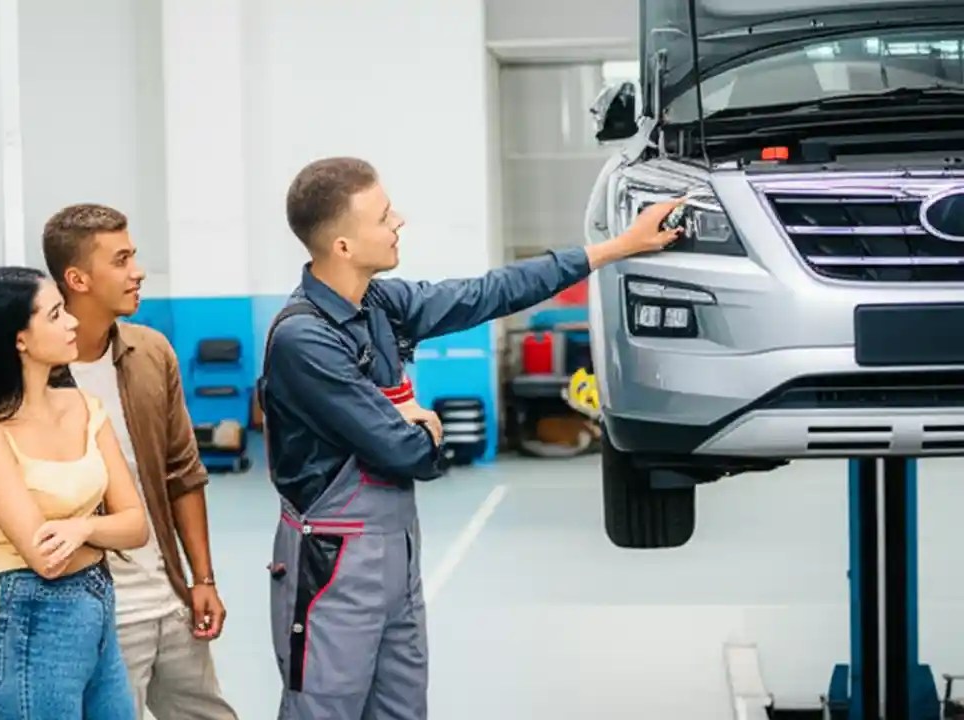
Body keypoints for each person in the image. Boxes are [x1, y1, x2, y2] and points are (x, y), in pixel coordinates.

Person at [258, 156, 682, 719]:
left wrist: (615, 248)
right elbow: (407, 452)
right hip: (333, 562)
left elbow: (488, 293)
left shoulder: (378, 305)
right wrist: (421, 427)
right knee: (325, 710)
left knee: (402, 708)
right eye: (385, 216)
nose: (399, 221)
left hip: (396, 550)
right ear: (342, 245)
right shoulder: (304, 339)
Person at [40, 204, 240, 720]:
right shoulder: (34, 378)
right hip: (97, 614)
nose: (139, 271)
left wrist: (203, 579)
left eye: (135, 255)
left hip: (168, 599)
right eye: (122, 259)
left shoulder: (152, 353)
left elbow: (183, 474)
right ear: (77, 279)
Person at [0, 266, 150, 720]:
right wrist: (99, 531)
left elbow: (137, 526)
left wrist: (81, 528)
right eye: (56, 315)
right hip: (39, 635)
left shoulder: (83, 407)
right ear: (19, 339)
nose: (73, 322)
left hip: (100, 624)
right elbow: (46, 559)